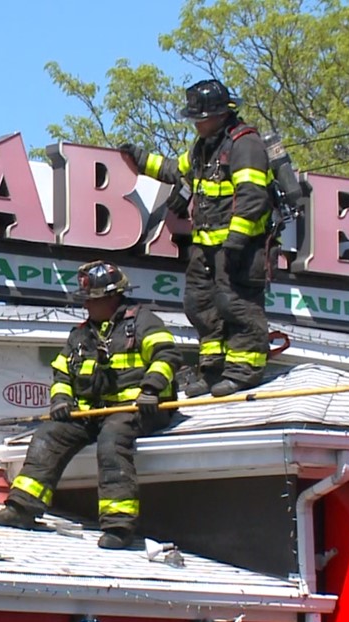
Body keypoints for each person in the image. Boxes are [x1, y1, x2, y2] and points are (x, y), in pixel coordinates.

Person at [0, 261, 181, 549]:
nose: (86, 305)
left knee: (112, 442)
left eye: (91, 299)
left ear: (112, 298)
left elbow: (167, 356)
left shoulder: (142, 322)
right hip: (91, 412)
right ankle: (22, 509)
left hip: (137, 408)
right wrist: (61, 399)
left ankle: (118, 526)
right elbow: (62, 371)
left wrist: (151, 389)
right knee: (48, 436)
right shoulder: (80, 334)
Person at [120, 79, 272, 397]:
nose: (196, 124)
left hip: (239, 247)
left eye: (200, 118)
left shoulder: (245, 144)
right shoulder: (205, 146)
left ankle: (245, 369)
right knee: (199, 303)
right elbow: (178, 170)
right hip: (206, 245)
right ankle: (213, 370)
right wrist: (141, 158)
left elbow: (253, 196)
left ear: (220, 114)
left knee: (236, 304)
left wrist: (237, 239)